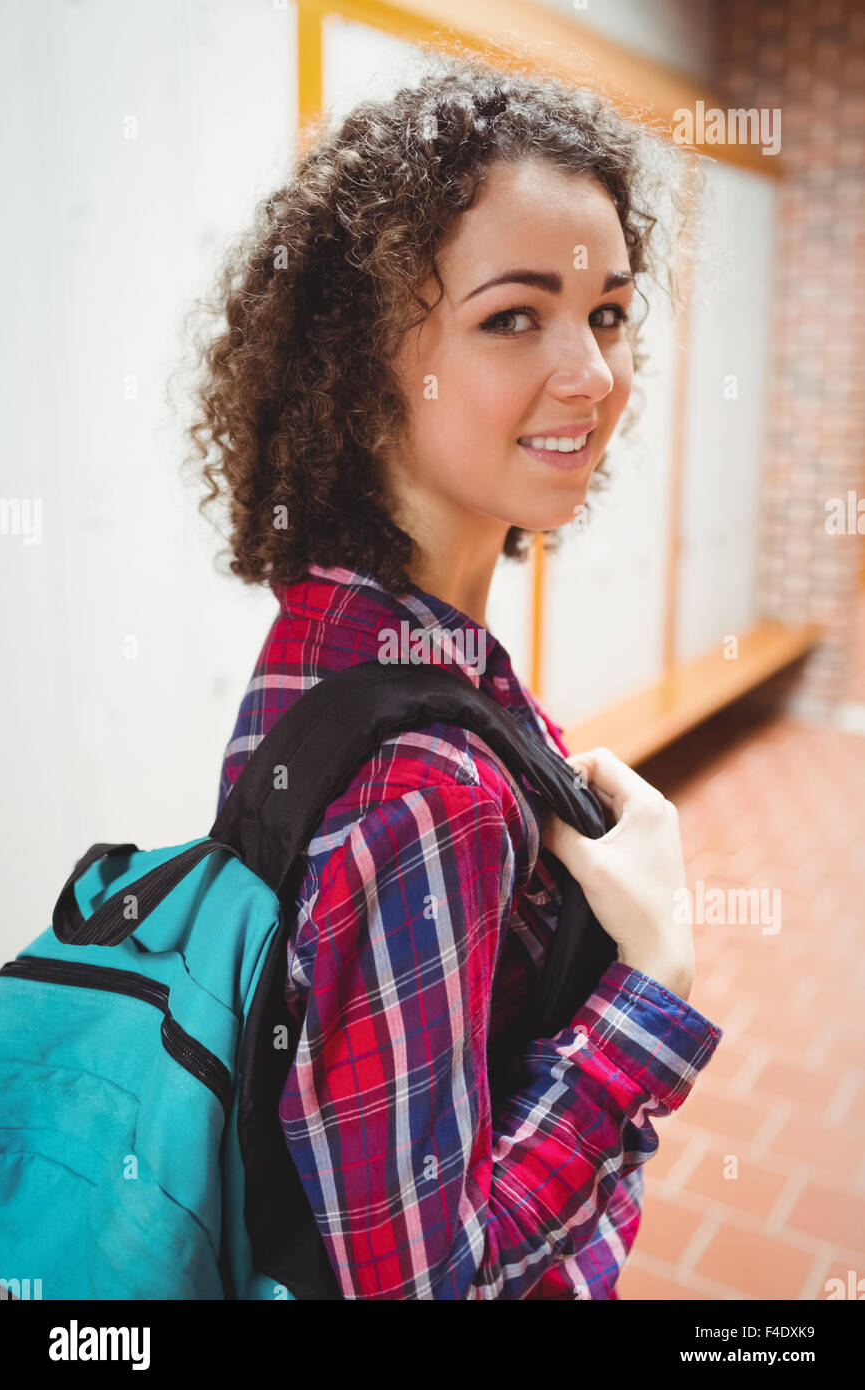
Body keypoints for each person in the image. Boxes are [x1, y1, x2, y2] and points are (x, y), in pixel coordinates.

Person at [184, 48, 723, 1299]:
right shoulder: (426, 793)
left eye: (607, 311)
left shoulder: (335, 623)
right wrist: (652, 982)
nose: (592, 376)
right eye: (512, 316)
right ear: (365, 363)